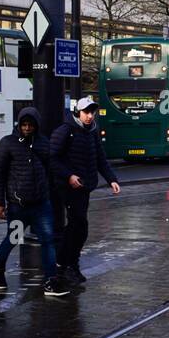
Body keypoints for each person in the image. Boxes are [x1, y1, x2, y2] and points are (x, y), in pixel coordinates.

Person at [0, 107, 68, 297]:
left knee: (48, 241)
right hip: (18, 206)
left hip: (41, 205)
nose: (26, 128)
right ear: (19, 124)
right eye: (23, 124)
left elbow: (50, 170)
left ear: (36, 126)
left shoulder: (43, 143)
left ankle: (50, 281)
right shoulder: (8, 143)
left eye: (30, 125)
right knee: (13, 239)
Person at [50, 96, 121, 285]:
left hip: (85, 186)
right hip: (69, 187)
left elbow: (100, 158)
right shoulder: (65, 131)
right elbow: (53, 159)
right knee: (77, 226)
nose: (89, 116)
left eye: (92, 112)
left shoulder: (92, 132)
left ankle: (71, 265)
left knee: (79, 228)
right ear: (77, 113)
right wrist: (69, 176)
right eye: (86, 112)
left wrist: (111, 179)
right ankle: (63, 266)